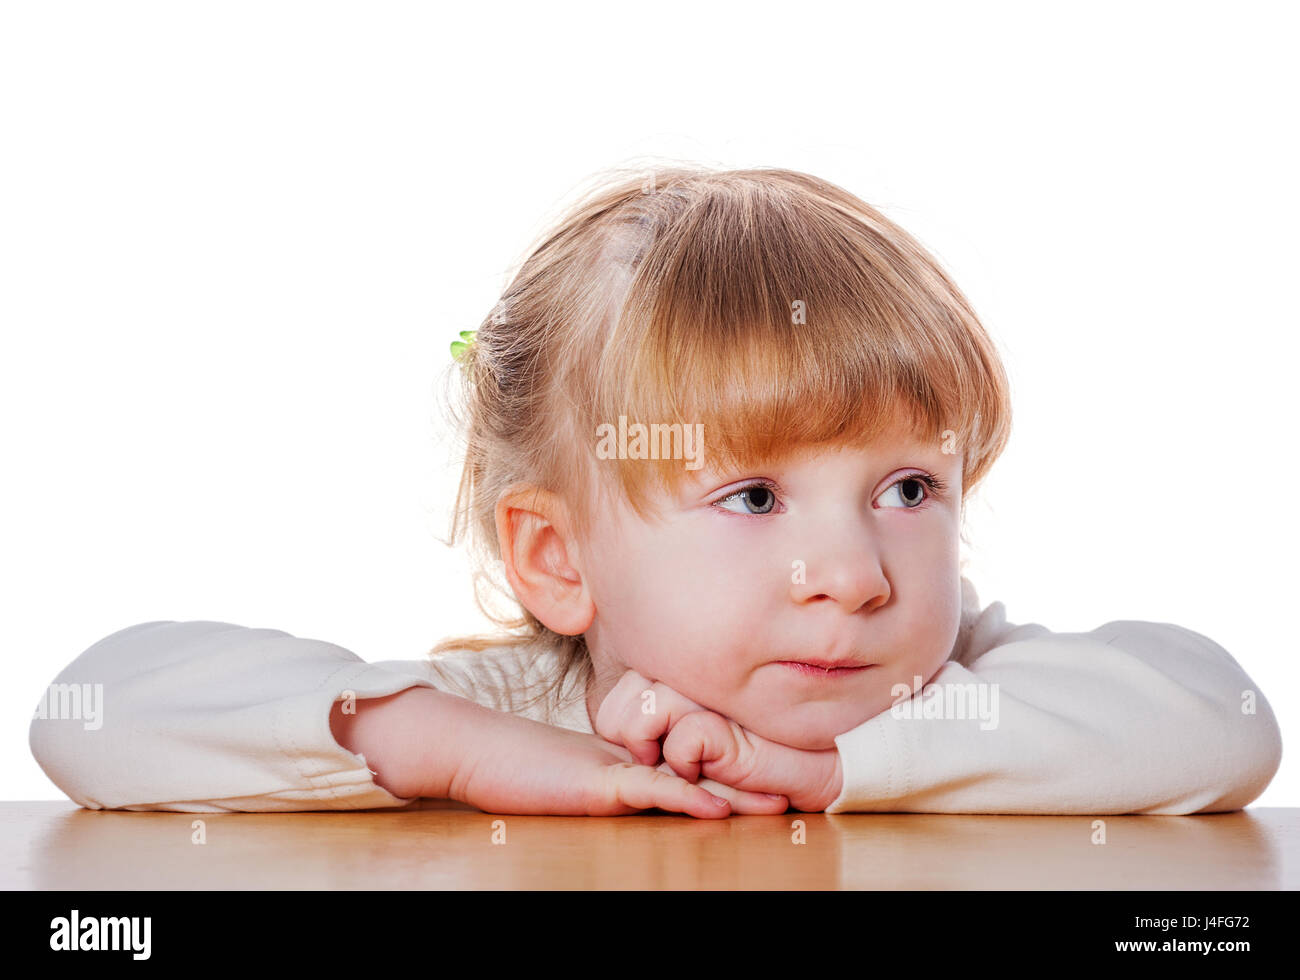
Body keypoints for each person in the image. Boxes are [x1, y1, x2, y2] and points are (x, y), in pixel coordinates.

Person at [29, 165, 1282, 816]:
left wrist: (846, 770)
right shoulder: (530, 707)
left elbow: (1222, 718)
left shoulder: (956, 677)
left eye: (906, 485)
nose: (853, 574)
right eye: (752, 498)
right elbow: (92, 713)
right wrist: (447, 750)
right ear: (557, 560)